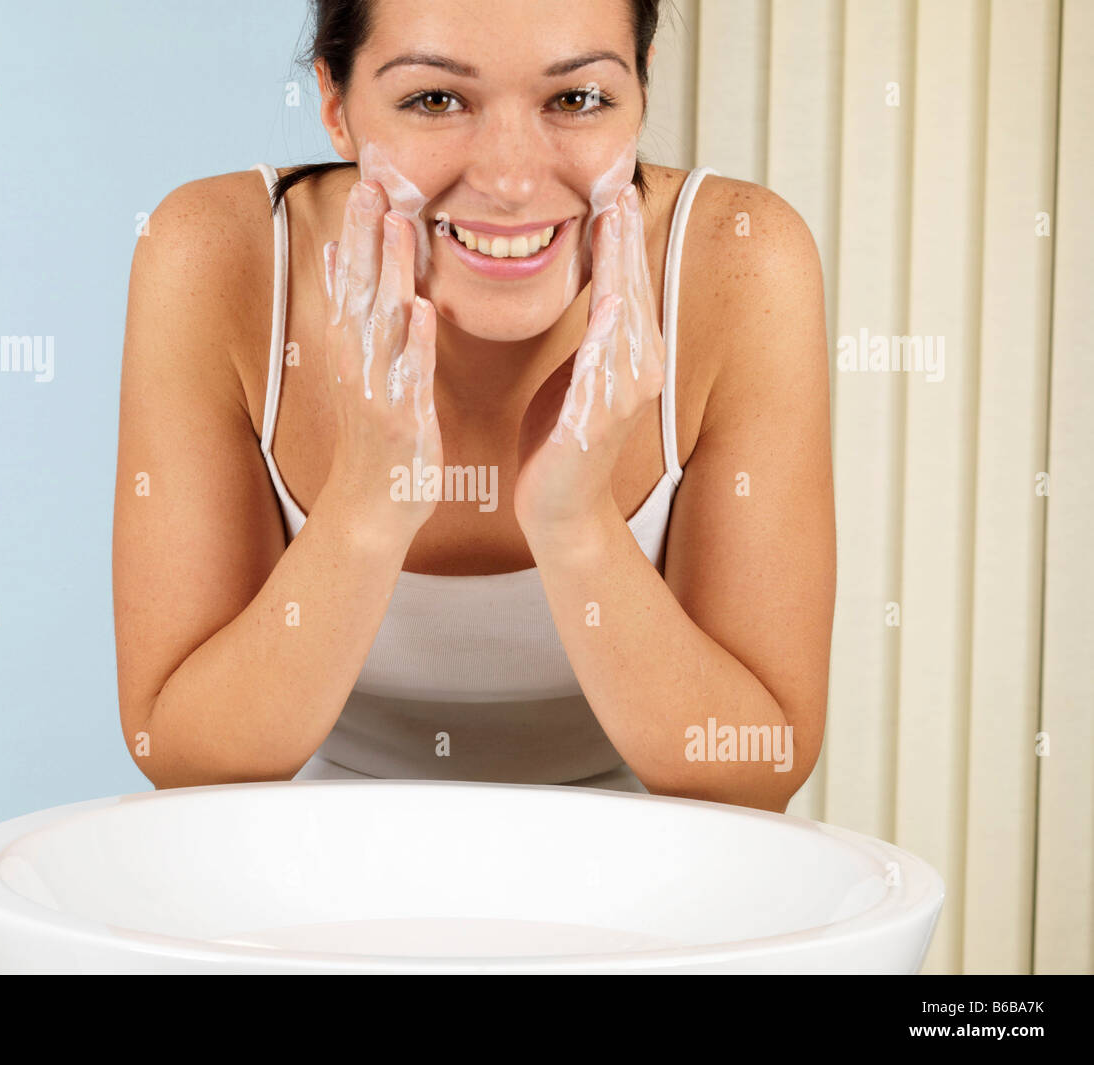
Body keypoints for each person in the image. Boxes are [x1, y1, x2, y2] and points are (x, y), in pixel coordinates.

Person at [112, 0, 835, 812]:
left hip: (649, 876)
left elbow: (760, 765)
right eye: (436, 100)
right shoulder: (217, 256)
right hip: (308, 864)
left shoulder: (740, 260)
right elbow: (176, 754)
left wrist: (575, 523)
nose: (513, 180)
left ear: (640, 89)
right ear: (336, 107)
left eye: (576, 99)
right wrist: (365, 504)